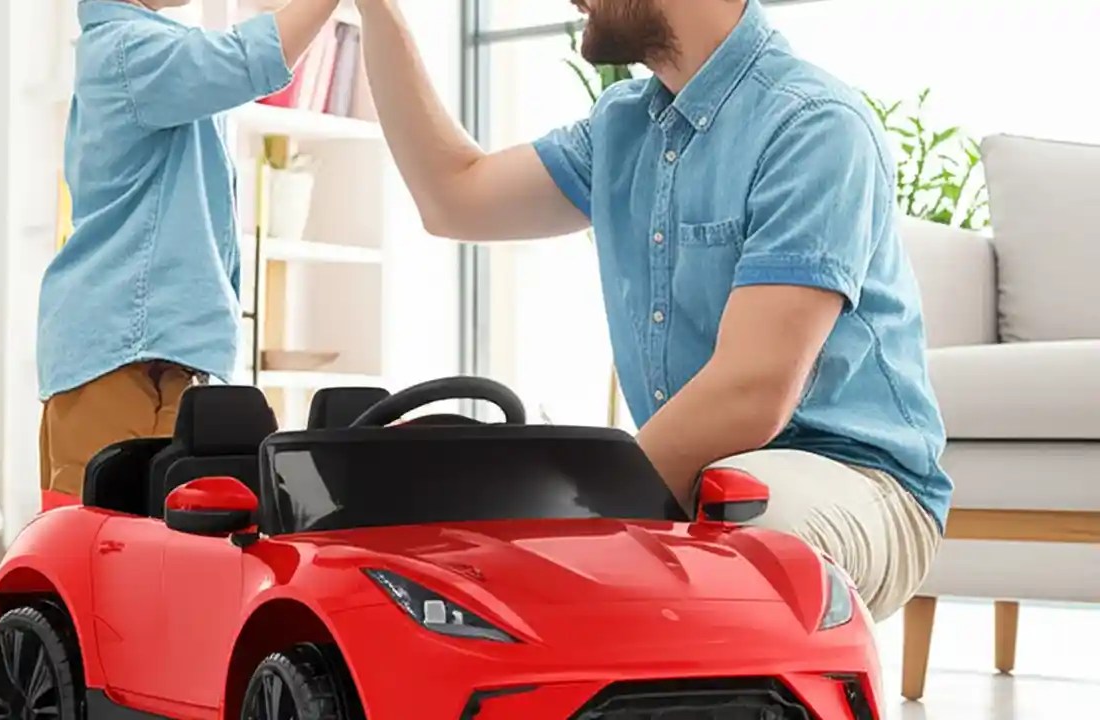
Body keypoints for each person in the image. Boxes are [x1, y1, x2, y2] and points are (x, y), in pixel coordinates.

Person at [354, 0, 949, 621]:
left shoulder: (813, 126)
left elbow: (753, 390)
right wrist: (380, 12)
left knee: (748, 549)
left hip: (859, 479)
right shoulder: (624, 128)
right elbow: (456, 197)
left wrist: (570, 509)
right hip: (692, 477)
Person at [37, 0, 340, 501]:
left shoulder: (151, 51)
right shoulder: (128, 51)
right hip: (119, 350)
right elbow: (246, 59)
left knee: (166, 543)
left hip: (162, 348)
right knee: (104, 543)